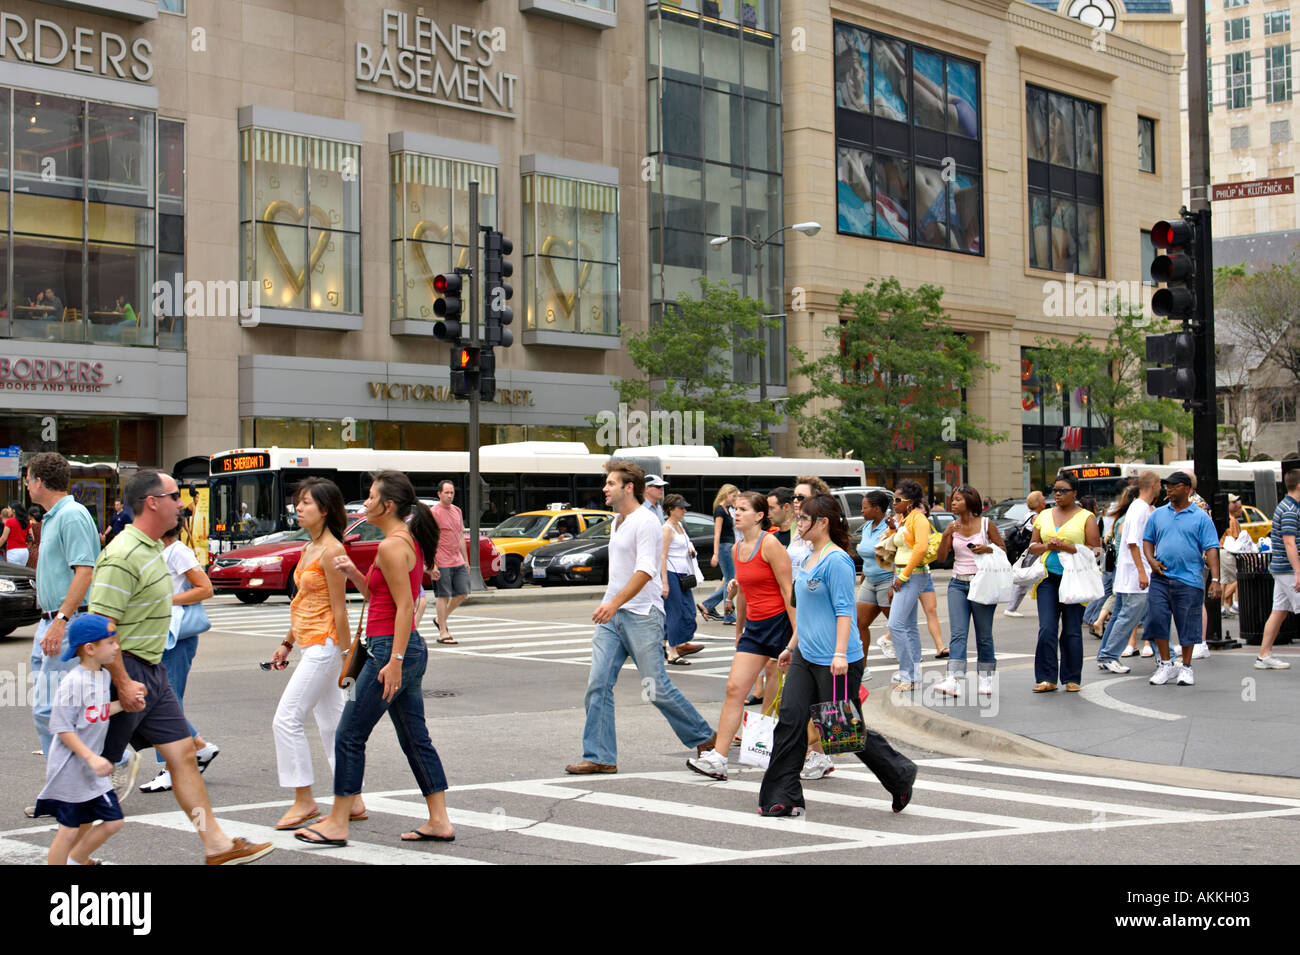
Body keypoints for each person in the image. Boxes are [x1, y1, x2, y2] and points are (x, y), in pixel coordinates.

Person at [93, 469, 273, 864]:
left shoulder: (153, 549)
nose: (184, 504)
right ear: (152, 502)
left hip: (152, 672)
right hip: (126, 673)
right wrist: (122, 682)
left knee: (183, 757)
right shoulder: (122, 555)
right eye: (175, 496)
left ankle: (217, 845)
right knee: (94, 770)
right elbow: (102, 628)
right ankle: (67, 856)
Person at [296, 470, 453, 846]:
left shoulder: (391, 546)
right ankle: (439, 820)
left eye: (369, 497)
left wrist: (394, 661)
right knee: (416, 738)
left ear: (388, 505)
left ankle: (336, 822)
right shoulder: (401, 541)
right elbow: (378, 597)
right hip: (401, 648)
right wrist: (353, 573)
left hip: (391, 650)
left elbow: (404, 607)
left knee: (349, 734)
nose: (364, 503)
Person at [758, 494, 917, 816]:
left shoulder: (838, 561)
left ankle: (899, 774)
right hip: (805, 655)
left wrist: (841, 654)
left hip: (837, 661)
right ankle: (782, 796)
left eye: (804, 519)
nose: (798, 524)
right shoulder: (807, 558)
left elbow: (845, 611)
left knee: (840, 733)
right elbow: (806, 614)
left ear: (823, 523)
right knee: (789, 721)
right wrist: (791, 647)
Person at [565, 460, 716, 775]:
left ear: (627, 487)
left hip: (642, 614)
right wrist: (611, 604)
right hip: (613, 617)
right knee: (597, 684)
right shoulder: (618, 521)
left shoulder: (645, 521)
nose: (604, 489)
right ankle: (600, 756)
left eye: (609, 483)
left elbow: (646, 570)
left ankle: (706, 738)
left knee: (655, 686)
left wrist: (614, 603)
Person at [270, 478, 367, 829]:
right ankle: (352, 798)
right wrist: (287, 642)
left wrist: (345, 658)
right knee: (331, 725)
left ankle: (304, 799)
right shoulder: (308, 548)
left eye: (307, 503)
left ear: (325, 510)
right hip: (310, 642)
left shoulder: (332, 550)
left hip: (326, 646)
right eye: (298, 502)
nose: (298, 507)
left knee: (286, 719)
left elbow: (340, 610)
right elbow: (304, 602)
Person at [687, 492, 795, 781]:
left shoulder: (770, 544)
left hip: (780, 624)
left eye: (743, 509)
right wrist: (739, 630)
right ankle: (719, 758)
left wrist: (796, 636)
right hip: (756, 629)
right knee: (735, 689)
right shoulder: (736, 549)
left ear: (759, 516)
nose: (736, 513)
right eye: (735, 509)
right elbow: (745, 592)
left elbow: (788, 592)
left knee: (791, 697)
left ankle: (811, 752)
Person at [24, 454, 101, 763]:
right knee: (50, 710)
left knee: (52, 710)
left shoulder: (71, 515)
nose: (27, 485)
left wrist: (60, 620)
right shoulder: (54, 515)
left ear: (40, 481)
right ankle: (62, 782)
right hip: (51, 622)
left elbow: (85, 571)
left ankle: (111, 761)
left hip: (65, 623)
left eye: (28, 479)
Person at [32, 614, 126, 866]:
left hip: (92, 771)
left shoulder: (103, 676)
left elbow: (97, 711)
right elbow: (61, 727)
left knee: (106, 821)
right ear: (90, 648)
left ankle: (77, 859)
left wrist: (126, 704)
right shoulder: (73, 682)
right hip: (70, 770)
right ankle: (76, 860)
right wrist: (92, 758)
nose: (117, 647)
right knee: (69, 831)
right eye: (111, 642)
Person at [138, 521, 220, 793]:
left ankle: (174, 766)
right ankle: (199, 748)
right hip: (158, 635)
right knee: (162, 700)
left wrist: (166, 600)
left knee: (165, 702)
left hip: (177, 638)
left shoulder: (177, 551)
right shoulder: (155, 552)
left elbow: (205, 588)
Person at [1142, 471, 1221, 687]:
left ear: (1187, 489)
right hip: (1160, 576)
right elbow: (1147, 541)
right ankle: (1166, 665)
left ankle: (1186, 667)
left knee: (1187, 624)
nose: (1169, 489)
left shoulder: (1201, 517)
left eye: (1174, 486)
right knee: (1157, 619)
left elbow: (1212, 548)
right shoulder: (1158, 514)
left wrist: (1216, 579)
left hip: (1189, 579)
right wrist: (1151, 561)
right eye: (1167, 485)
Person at [1027, 472, 1102, 692]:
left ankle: (1071, 678)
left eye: (1063, 491)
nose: (1058, 494)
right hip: (1048, 579)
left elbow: (1096, 550)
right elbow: (1032, 546)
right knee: (1047, 628)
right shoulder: (1044, 515)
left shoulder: (1086, 517)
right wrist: (1048, 546)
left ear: (1074, 493)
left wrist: (1069, 548)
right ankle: (1046, 678)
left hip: (1074, 579)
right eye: (1055, 491)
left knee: (1071, 630)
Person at [934, 485, 1006, 697]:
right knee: (958, 633)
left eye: (957, 499)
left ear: (970, 501)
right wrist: (946, 535)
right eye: (953, 500)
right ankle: (954, 679)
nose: (953, 503)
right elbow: (940, 558)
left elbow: (1003, 549)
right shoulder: (952, 526)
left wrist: (988, 548)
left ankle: (986, 679)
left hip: (982, 583)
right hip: (957, 583)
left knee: (984, 635)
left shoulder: (986, 524)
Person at [1096, 471, 1160, 673]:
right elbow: (1134, 542)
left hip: (1127, 572)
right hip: (1134, 573)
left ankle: (1106, 654)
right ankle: (1108, 655)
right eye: (1160, 484)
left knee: (1124, 615)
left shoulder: (1136, 507)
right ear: (1153, 485)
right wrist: (1142, 572)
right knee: (1130, 616)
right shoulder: (1141, 509)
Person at [887, 479, 933, 691]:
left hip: (912, 575)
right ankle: (913, 675)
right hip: (903, 574)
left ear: (910, 501)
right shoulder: (905, 520)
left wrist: (903, 576)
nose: (894, 503)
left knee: (895, 624)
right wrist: (891, 530)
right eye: (893, 499)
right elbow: (899, 546)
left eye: (898, 499)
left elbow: (921, 549)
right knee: (908, 626)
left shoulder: (919, 519)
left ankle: (907, 674)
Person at [1254, 468, 1300, 670]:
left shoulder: (1287, 506)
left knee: (1279, 611)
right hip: (1289, 570)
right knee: (1279, 611)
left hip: (1282, 568)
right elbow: (1289, 543)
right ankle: (1263, 656)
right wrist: (1298, 571)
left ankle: (1263, 656)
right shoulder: (1291, 510)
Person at [661, 494, 704, 665]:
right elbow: (662, 556)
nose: (684, 510)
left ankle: (663, 645)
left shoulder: (679, 526)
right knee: (675, 612)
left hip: (684, 574)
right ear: (671, 509)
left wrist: (690, 551)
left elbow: (686, 545)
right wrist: (664, 582)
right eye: (681, 508)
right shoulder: (667, 529)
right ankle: (672, 652)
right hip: (672, 573)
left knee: (688, 611)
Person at [855, 490, 895, 663]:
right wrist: (865, 571)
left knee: (897, 626)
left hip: (887, 581)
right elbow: (868, 552)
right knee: (858, 624)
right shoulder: (866, 527)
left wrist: (895, 583)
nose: (862, 511)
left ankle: (909, 661)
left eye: (865, 508)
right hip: (869, 581)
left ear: (877, 508)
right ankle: (861, 667)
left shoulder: (889, 527)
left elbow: (898, 554)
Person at [429, 479, 470, 645]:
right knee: (443, 595)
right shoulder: (434, 512)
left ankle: (441, 619)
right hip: (441, 559)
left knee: (462, 593)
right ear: (439, 494)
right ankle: (443, 631)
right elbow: (429, 539)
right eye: (446, 492)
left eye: (452, 492)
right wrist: (432, 564)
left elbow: (460, 536)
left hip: (457, 559)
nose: (450, 495)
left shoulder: (457, 511)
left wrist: (466, 560)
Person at [699, 484, 740, 623]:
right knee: (730, 580)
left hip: (729, 547)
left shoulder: (726, 510)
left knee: (729, 581)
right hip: (724, 548)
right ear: (726, 494)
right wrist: (715, 554)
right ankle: (728, 615)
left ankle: (707, 605)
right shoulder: (719, 511)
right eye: (733, 496)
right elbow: (716, 534)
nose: (734, 499)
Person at [1004, 491, 1046, 617]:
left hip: (1027, 551)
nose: (1045, 501)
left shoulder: (1028, 514)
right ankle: (1011, 608)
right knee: (1026, 579)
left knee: (1028, 579)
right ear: (1038, 503)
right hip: (1032, 551)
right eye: (1043, 499)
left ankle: (1011, 608)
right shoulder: (1036, 517)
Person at [25, 504, 43, 570]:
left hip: (33, 549)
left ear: (30, 515)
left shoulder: (30, 523)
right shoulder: (43, 523)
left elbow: (32, 538)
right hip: (42, 549)